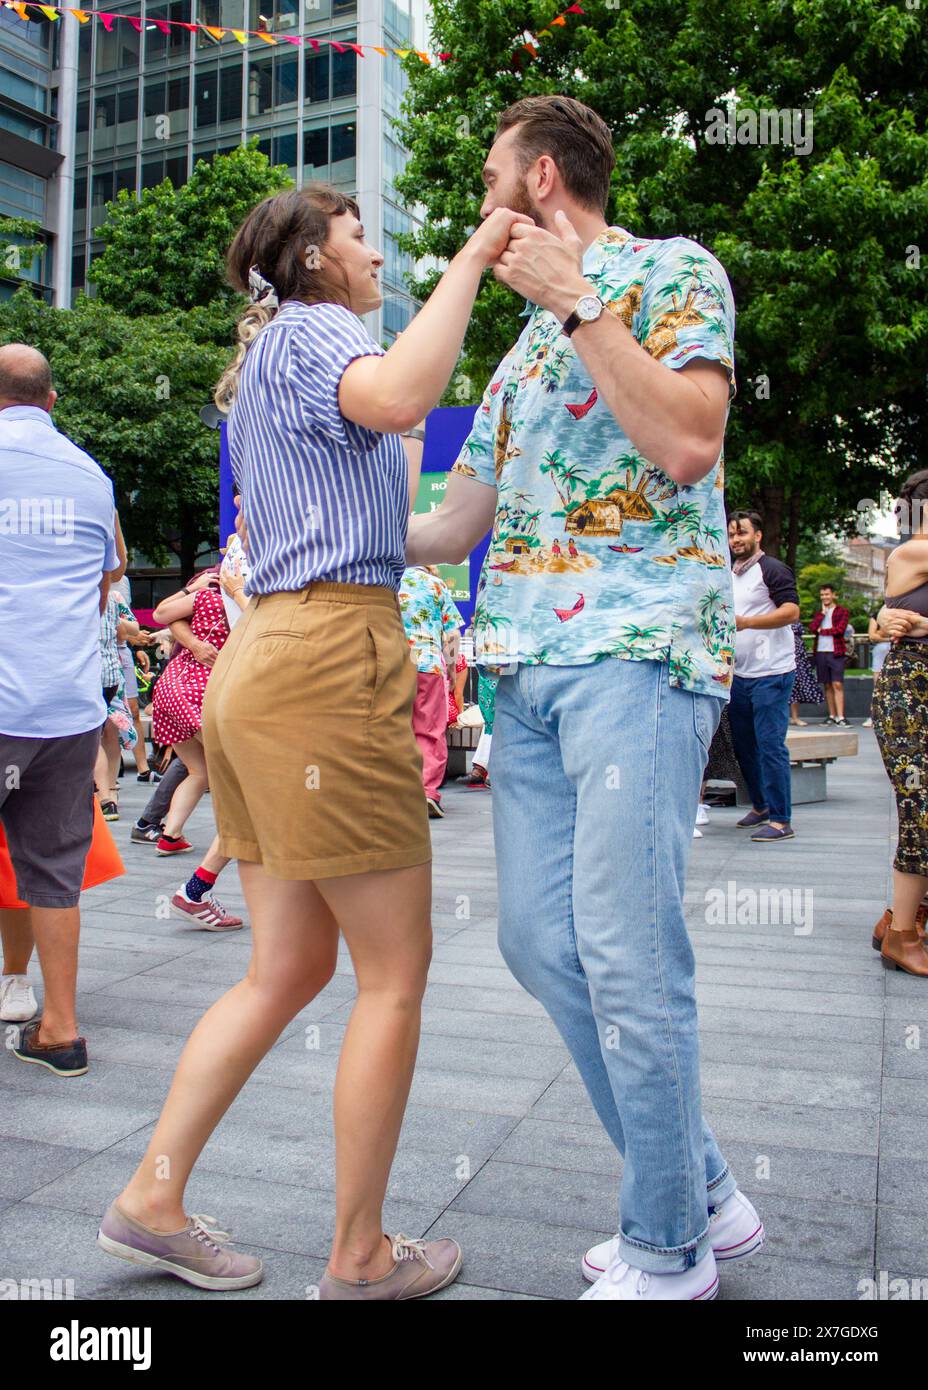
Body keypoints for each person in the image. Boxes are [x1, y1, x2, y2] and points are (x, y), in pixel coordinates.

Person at [96, 183, 529, 1298]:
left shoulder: (284, 358)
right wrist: (476, 256)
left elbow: (411, 531)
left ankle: (152, 1197)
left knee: (287, 965)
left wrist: (501, 456)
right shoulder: (317, 330)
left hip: (281, 658)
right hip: (330, 663)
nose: (376, 252)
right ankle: (358, 1257)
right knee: (394, 972)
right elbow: (399, 396)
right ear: (310, 258)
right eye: (357, 237)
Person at [407, 95, 763, 1301]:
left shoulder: (673, 274)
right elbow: (458, 520)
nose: (476, 214)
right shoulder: (512, 360)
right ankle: (701, 1184)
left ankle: (669, 1250)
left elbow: (688, 442)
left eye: (489, 186)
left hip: (640, 652)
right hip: (521, 669)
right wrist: (326, 531)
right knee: (533, 938)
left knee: (624, 946)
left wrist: (578, 302)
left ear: (542, 181)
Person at [0, 343, 123, 1077]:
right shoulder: (91, 476)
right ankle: (62, 1029)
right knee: (52, 873)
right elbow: (107, 581)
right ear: (51, 401)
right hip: (66, 708)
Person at [871, 469, 928, 976]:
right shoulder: (916, 550)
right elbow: (884, 625)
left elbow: (882, 618)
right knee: (921, 810)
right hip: (911, 693)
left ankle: (901, 917)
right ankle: (904, 934)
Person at [727, 511, 801, 842]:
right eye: (731, 534)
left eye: (742, 533)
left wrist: (747, 623)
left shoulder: (770, 569)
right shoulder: (728, 573)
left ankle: (782, 818)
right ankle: (761, 806)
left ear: (758, 535)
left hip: (772, 672)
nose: (735, 539)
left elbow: (791, 612)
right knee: (744, 746)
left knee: (770, 744)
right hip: (739, 674)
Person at [149, 569, 229, 855]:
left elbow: (161, 615)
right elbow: (162, 615)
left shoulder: (204, 597)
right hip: (198, 692)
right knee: (233, 766)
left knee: (199, 770)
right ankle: (241, 835)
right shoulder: (243, 601)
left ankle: (170, 835)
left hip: (170, 688)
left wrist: (191, 590)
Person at [398, 565, 464, 817]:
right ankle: (426, 791)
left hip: (393, 661)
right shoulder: (436, 585)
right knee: (429, 730)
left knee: (392, 728)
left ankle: (394, 791)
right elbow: (453, 635)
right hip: (428, 664)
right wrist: (451, 668)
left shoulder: (387, 577)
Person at [809, 584, 851, 725]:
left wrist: (822, 631)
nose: (824, 597)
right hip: (820, 652)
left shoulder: (842, 611)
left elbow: (840, 630)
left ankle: (841, 716)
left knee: (837, 683)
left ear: (834, 595)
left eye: (827, 594)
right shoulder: (819, 613)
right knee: (826, 684)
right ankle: (832, 715)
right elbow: (812, 628)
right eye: (822, 595)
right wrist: (822, 615)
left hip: (836, 652)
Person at [789, 620, 823, 726]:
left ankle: (795, 716)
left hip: (799, 656)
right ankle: (791, 717)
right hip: (787, 654)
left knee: (797, 685)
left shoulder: (793, 617)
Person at [863, 610, 892, 728]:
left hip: (897, 652)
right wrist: (889, 637)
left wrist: (882, 634)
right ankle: (874, 716)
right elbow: (872, 636)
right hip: (880, 654)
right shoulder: (877, 614)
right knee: (878, 686)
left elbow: (883, 633)